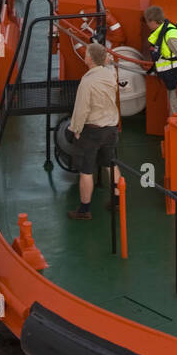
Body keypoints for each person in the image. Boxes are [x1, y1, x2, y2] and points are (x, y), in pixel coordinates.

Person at [66, 42, 121, 221]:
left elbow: (81, 110)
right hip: (111, 128)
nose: (85, 55)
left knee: (86, 170)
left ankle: (84, 210)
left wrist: (75, 129)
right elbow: (110, 64)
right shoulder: (110, 74)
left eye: (87, 53)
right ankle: (117, 200)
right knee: (110, 164)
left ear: (89, 58)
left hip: (92, 131)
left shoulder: (87, 82)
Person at [145, 5, 177, 113]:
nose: (147, 25)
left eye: (147, 22)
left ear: (153, 21)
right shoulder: (162, 31)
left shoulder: (171, 37)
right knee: (175, 108)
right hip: (173, 77)